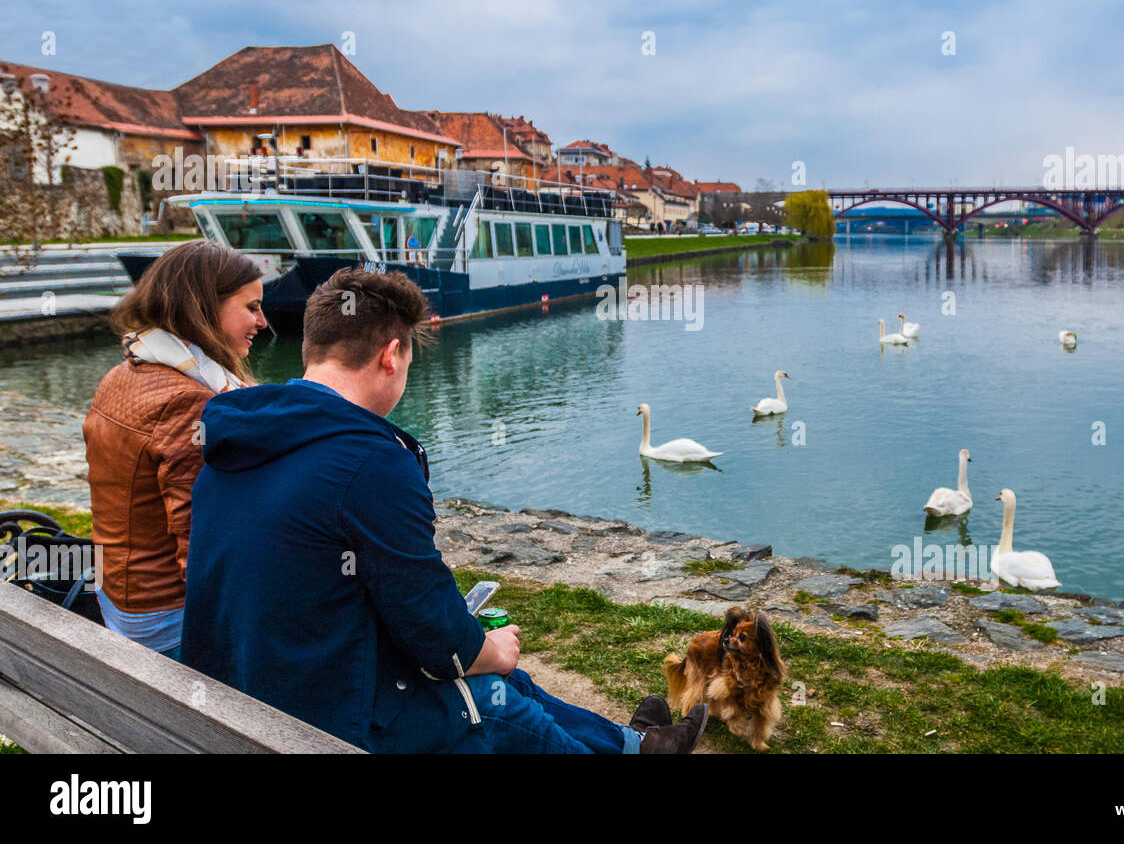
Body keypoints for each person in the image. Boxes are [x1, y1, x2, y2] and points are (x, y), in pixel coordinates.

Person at [181, 267, 707, 753]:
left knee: (498, 679)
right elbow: (436, 639)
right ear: (392, 354)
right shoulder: (370, 461)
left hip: (246, 693)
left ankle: (634, 745)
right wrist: (490, 650)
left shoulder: (239, 439)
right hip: (323, 722)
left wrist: (473, 647)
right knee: (491, 700)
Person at [82, 241, 267, 659]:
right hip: (165, 617)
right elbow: (200, 543)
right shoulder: (190, 402)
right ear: (203, 307)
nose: (262, 321)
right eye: (251, 307)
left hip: (121, 594)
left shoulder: (126, 370)